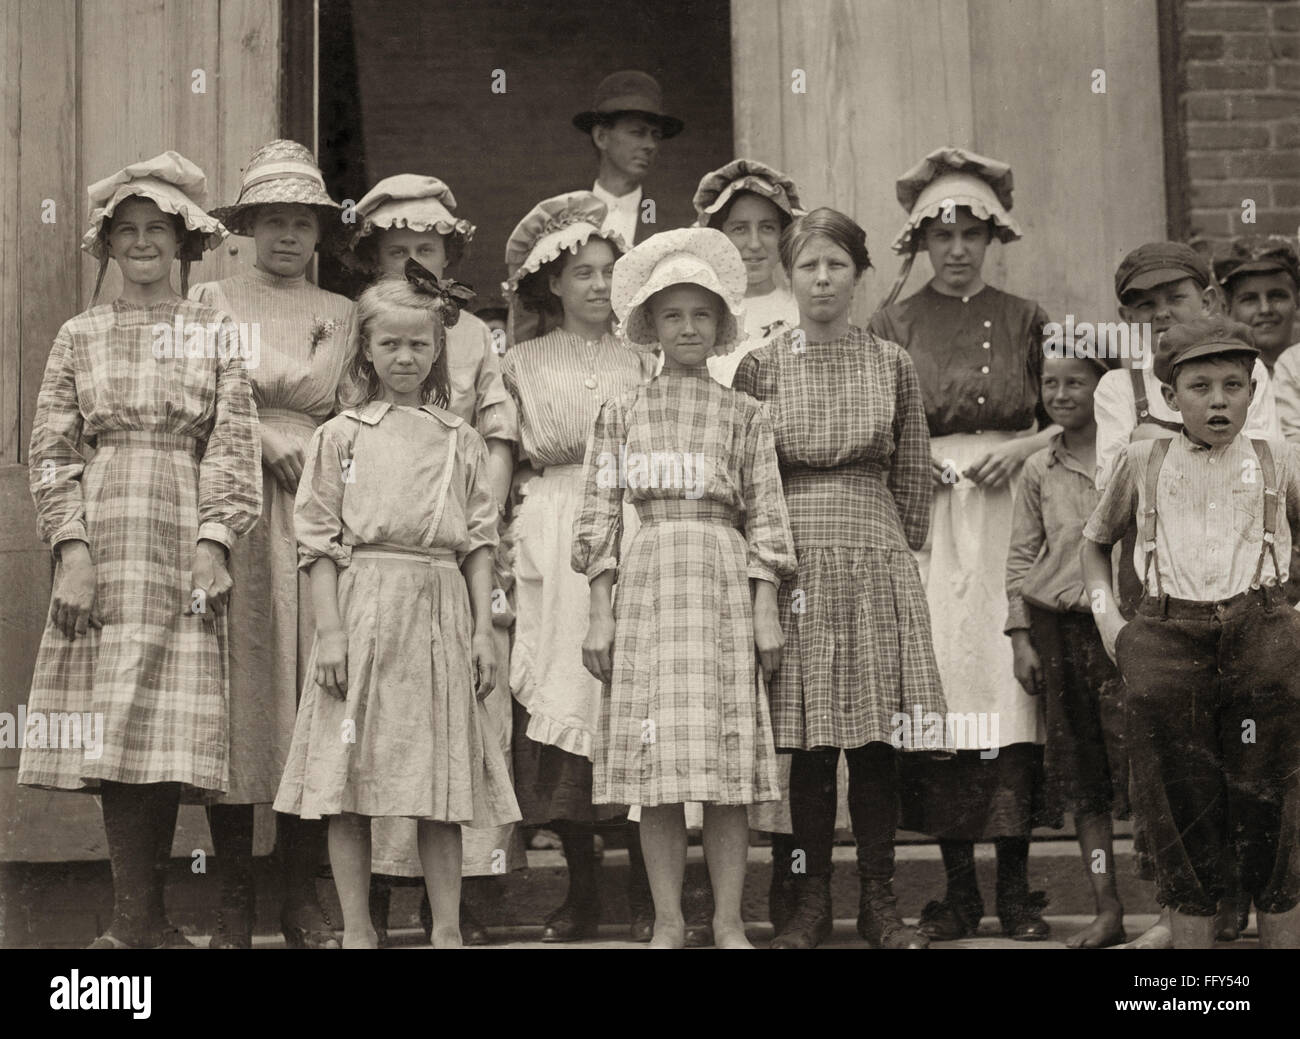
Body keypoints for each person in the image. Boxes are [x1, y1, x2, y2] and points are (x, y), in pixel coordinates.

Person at [21, 152, 261, 948]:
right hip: (108, 532)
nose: (141, 242)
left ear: (185, 240)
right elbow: (52, 450)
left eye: (156, 229)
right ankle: (134, 921)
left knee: (170, 718)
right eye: (125, 231)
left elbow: (232, 441)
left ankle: (153, 919)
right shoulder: (79, 335)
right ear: (107, 245)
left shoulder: (213, 329)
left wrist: (215, 541)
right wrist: (73, 549)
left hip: (182, 527)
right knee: (115, 717)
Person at [272, 274, 520, 949]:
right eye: (390, 344)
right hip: (362, 607)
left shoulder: (458, 439)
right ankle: (357, 927)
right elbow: (317, 541)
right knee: (349, 778)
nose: (405, 357)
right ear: (367, 352)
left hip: (437, 606)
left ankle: (444, 927)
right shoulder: (341, 436)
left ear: (437, 351)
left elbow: (478, 543)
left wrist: (479, 631)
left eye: (419, 345)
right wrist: (329, 631)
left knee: (438, 779)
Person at [573, 226, 796, 949]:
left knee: (727, 766)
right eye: (673, 315)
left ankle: (729, 918)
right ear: (652, 326)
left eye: (702, 314)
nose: (689, 327)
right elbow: (599, 517)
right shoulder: (620, 412)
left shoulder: (746, 414)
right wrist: (600, 613)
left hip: (723, 583)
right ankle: (669, 918)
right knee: (657, 768)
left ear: (722, 323)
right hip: (651, 584)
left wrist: (766, 606)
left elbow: (767, 514)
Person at [738, 208, 944, 949]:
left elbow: (914, 468)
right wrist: (761, 568)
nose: (821, 278)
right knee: (811, 746)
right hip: (795, 560)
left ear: (860, 275)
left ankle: (881, 901)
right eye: (807, 266)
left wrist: (900, 553)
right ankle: (809, 901)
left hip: (873, 552)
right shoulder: (762, 365)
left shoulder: (890, 362)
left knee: (874, 743)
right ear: (787, 277)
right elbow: (751, 477)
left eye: (836, 265)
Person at [868, 147, 1059, 941]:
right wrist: (915, 463)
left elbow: (1072, 417)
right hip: (927, 523)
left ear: (992, 238)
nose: (956, 250)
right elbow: (869, 427)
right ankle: (958, 892)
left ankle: (1013, 891)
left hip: (1008, 513)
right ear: (920, 240)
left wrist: (1021, 448)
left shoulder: (1028, 319)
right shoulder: (892, 324)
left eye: (971, 234)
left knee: (1009, 685)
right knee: (942, 689)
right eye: (941, 235)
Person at [1080, 316, 1300, 950]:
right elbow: (1094, 545)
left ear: (1254, 392)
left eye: (1234, 385)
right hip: (1168, 640)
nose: (1219, 400)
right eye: (1200, 387)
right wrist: (1112, 627)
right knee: (1183, 809)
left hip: (1263, 638)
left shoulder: (1277, 460)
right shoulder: (1143, 460)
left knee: (1275, 810)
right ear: (1170, 398)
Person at [346, 174, 521, 945]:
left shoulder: (475, 335)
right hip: (382, 552)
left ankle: (461, 898)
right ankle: (378, 898)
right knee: (380, 728)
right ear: (377, 259)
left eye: (427, 248)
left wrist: (477, 507)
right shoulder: (372, 330)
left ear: (447, 252)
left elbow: (499, 430)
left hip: (456, 542)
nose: (413, 261)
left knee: (462, 721)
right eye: (397, 250)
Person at [189, 138, 353, 950]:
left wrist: (316, 456)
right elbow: (200, 403)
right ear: (246, 227)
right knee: (242, 693)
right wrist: (260, 442)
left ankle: (299, 893)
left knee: (309, 696)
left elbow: (357, 417)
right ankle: (232, 899)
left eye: (302, 221)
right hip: (236, 508)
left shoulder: (345, 314)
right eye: (272, 220)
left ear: (319, 232)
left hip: (319, 511)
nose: (287, 235)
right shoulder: (212, 302)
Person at [502, 192, 657, 941]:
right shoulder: (520, 363)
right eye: (582, 274)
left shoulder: (647, 361)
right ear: (553, 285)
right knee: (561, 697)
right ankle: (581, 890)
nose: (598, 285)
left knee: (629, 698)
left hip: (635, 527)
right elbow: (500, 463)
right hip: (553, 529)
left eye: (608, 272)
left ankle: (644, 893)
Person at [1004, 353, 1129, 948]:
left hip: (1126, 633)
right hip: (1060, 632)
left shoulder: (1128, 456)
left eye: (1075, 381)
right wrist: (1021, 635)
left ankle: (1177, 908)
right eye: (1049, 383)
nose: (1060, 392)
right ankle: (1107, 906)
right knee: (1083, 781)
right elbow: (1022, 558)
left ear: (1103, 389)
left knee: (1143, 771)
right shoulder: (1038, 469)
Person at [691, 159, 803, 387]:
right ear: (719, 237)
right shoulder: (697, 315)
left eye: (767, 228)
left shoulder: (802, 311)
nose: (754, 243)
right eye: (740, 229)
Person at [1217, 235, 1300, 427]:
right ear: (1226, 307)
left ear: (1296, 301)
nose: (1265, 309)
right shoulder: (1216, 380)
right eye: (1249, 299)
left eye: (1277, 296)